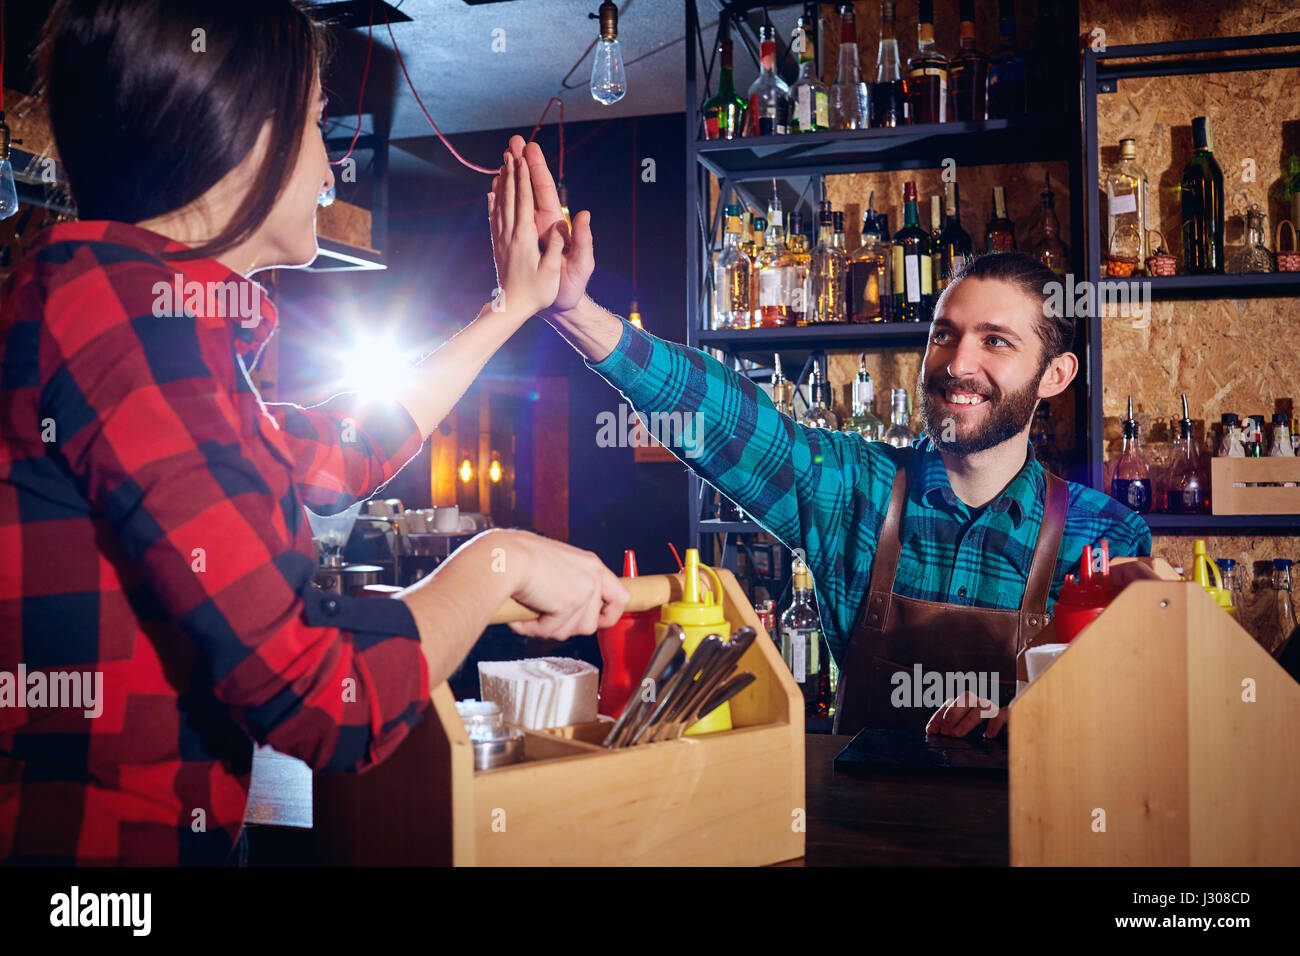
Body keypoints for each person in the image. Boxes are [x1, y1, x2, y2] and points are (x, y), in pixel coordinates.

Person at [0, 0, 626, 865]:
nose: (332, 163)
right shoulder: (123, 322)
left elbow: (334, 449)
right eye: (315, 122)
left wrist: (511, 306)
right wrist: (502, 561)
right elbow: (330, 696)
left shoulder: (128, 310)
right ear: (241, 135)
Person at [491, 135, 1152, 740]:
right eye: (944, 334)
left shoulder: (1106, 537)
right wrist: (575, 312)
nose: (957, 364)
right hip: (857, 835)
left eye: (996, 341)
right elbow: (728, 420)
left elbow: (1127, 722)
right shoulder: (856, 492)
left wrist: (1046, 712)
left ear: (1055, 374)